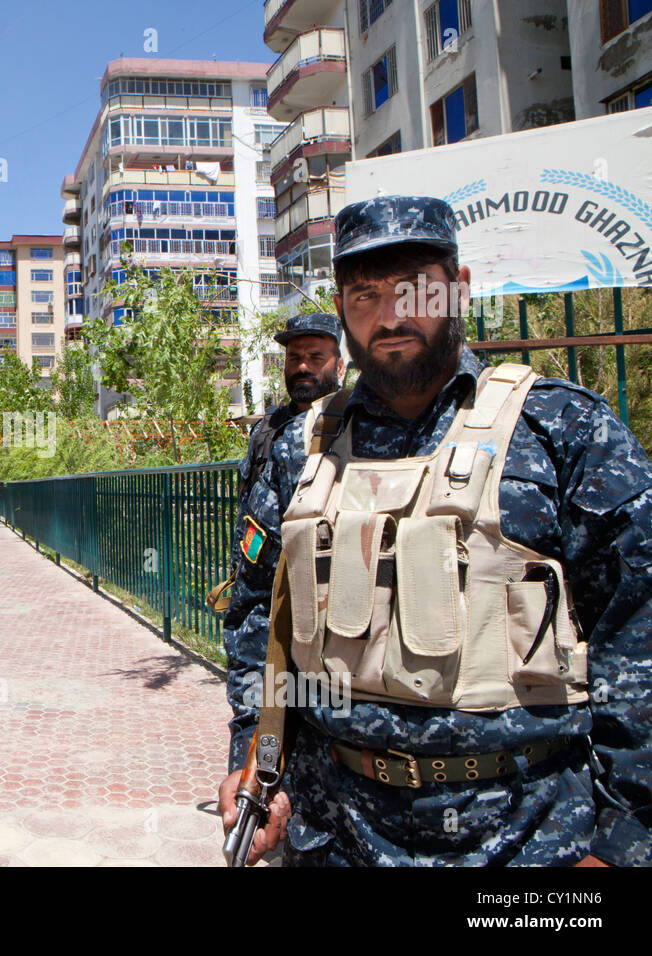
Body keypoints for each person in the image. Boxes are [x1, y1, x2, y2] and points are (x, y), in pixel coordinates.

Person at [219, 195, 652, 867]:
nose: (390, 316)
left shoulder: (564, 432)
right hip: (335, 831)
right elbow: (256, 619)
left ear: (460, 289)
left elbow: (639, 630)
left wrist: (625, 840)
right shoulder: (298, 450)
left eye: (413, 289)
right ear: (341, 309)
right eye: (364, 295)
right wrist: (259, 759)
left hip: (525, 838)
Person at [210, 314, 344, 612]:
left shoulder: (352, 429)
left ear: (340, 365)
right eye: (294, 358)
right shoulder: (266, 428)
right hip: (259, 596)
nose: (302, 367)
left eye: (315, 357)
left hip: (321, 597)